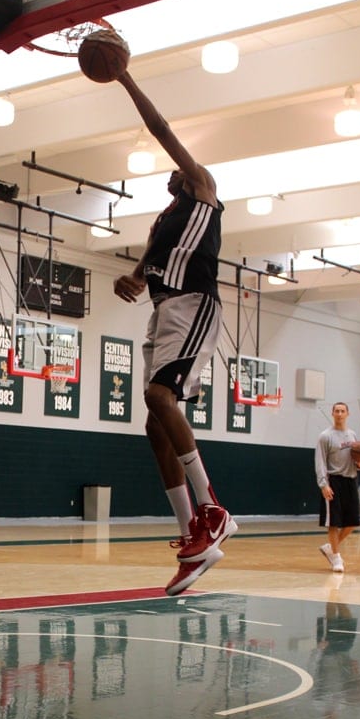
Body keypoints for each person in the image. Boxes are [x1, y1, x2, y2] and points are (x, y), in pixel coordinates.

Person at [111, 65, 237, 596]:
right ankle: (191, 536)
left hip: (193, 304)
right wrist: (135, 278)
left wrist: (124, 79)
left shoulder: (203, 189)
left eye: (175, 169)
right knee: (153, 425)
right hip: (163, 309)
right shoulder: (164, 218)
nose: (172, 171)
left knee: (159, 395)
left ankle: (212, 509)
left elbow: (162, 129)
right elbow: (152, 257)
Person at [315, 401, 360, 573]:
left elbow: (355, 458)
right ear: (332, 413)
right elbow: (320, 461)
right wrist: (323, 484)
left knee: (352, 522)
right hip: (333, 480)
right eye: (337, 411)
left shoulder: (353, 435)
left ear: (348, 414)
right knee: (334, 523)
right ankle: (336, 558)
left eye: (343, 411)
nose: (340, 413)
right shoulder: (325, 436)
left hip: (351, 480)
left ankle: (330, 547)